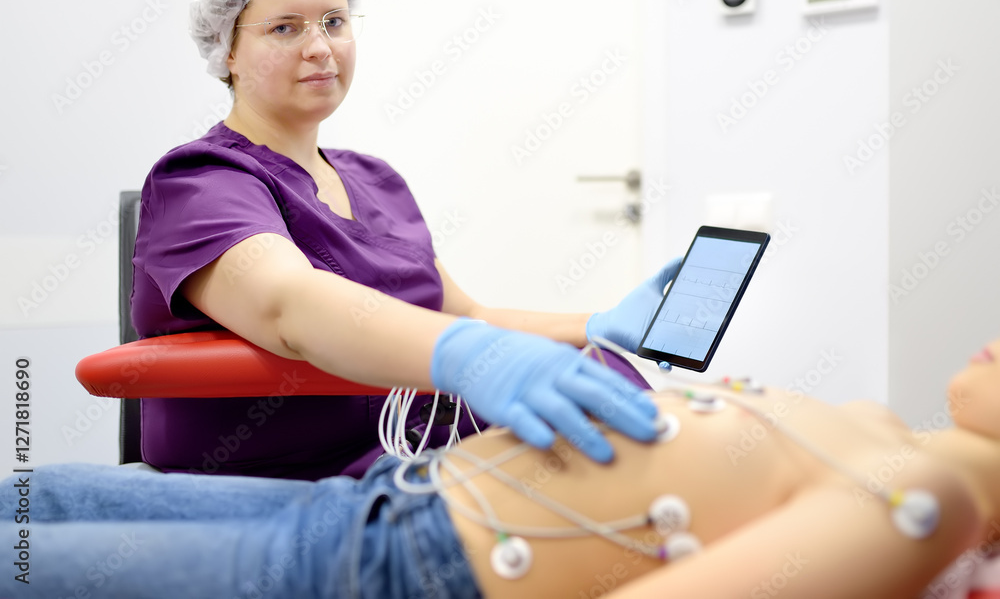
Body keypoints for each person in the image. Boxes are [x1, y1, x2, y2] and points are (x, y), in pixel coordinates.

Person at [130, 0, 680, 480]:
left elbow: (466, 315)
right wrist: (468, 356)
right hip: (314, 473)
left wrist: (599, 325)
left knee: (602, 373)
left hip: (420, 439)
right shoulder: (200, 182)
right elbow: (289, 306)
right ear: (226, 48)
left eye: (334, 21)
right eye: (284, 27)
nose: (321, 47)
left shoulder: (374, 178)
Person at [4, 337, 1000, 597]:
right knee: (30, 497)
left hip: (406, 569)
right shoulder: (881, 429)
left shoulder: (934, 501)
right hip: (379, 507)